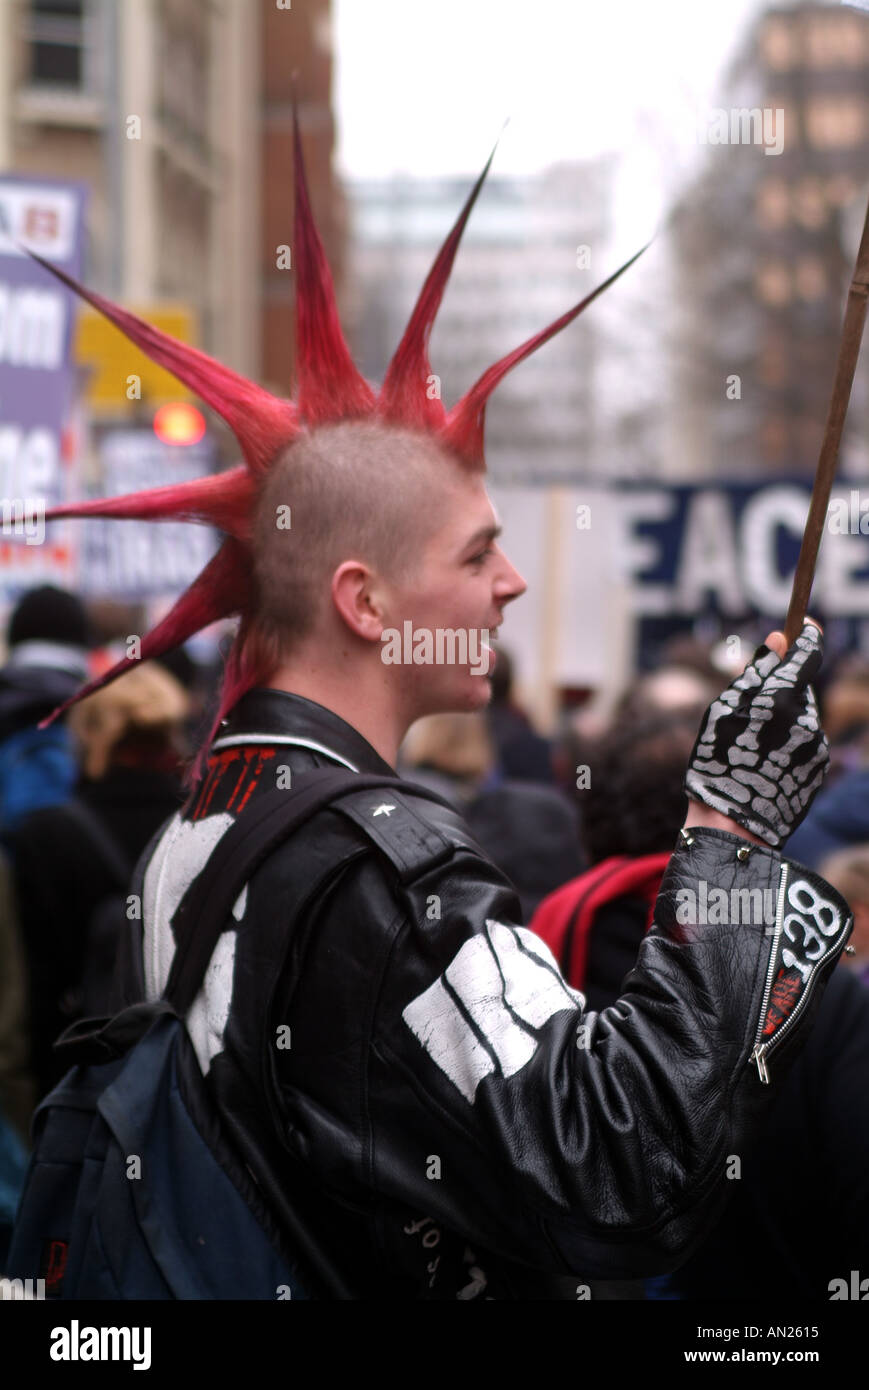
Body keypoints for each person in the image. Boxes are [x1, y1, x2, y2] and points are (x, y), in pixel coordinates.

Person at [30, 121, 852, 1298]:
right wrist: (725, 840)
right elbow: (612, 1169)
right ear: (365, 601)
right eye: (477, 553)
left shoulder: (197, 824)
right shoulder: (380, 865)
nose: (511, 582)